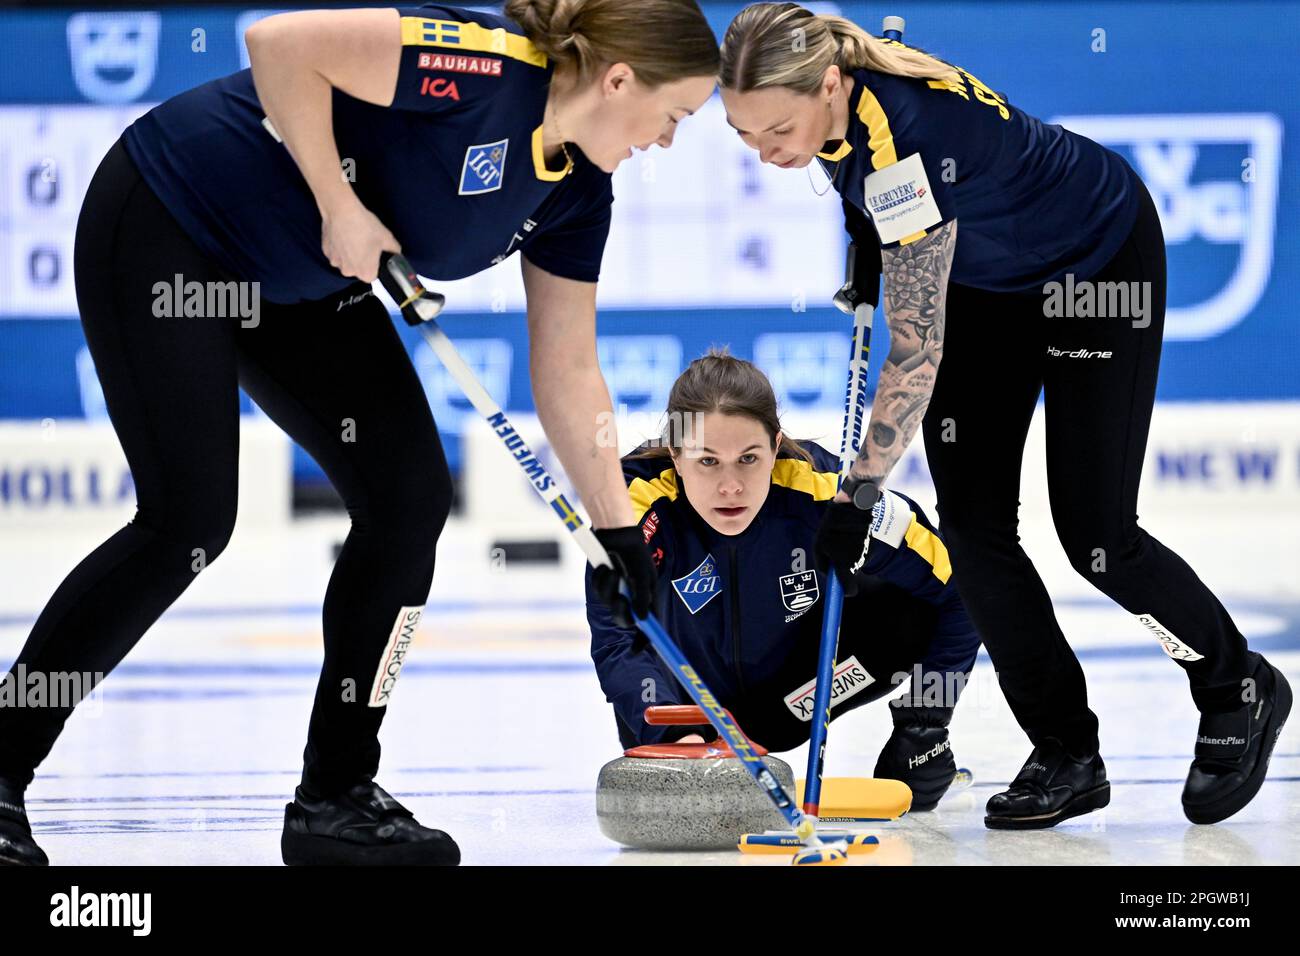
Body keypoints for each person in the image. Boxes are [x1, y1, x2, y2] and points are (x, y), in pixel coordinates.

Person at [0, 0, 717, 867]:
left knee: (408, 501)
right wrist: (338, 204)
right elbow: (279, 45)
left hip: (297, 282)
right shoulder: (487, 67)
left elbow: (567, 368)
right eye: (674, 116)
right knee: (188, 524)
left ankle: (333, 796)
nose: (671, 142)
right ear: (617, 79)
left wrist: (616, 532)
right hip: (171, 223)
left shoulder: (578, 195)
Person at [718, 2, 1290, 829]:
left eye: (775, 128)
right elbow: (884, 200)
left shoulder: (905, 143)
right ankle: (1066, 749)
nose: (764, 152)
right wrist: (869, 237)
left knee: (1098, 537)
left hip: (1095, 264)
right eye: (742, 135)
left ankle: (1238, 687)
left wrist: (859, 495)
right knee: (975, 529)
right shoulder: (851, 121)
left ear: (831, 83)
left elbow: (915, 354)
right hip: (988, 283)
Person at [586, 350, 980, 809]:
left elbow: (964, 589)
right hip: (681, 711)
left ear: (775, 446)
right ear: (674, 451)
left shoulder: (827, 494)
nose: (730, 486)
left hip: (791, 707)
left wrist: (927, 721)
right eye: (707, 462)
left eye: (749, 459)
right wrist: (676, 734)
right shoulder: (631, 510)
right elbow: (617, 641)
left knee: (910, 608)